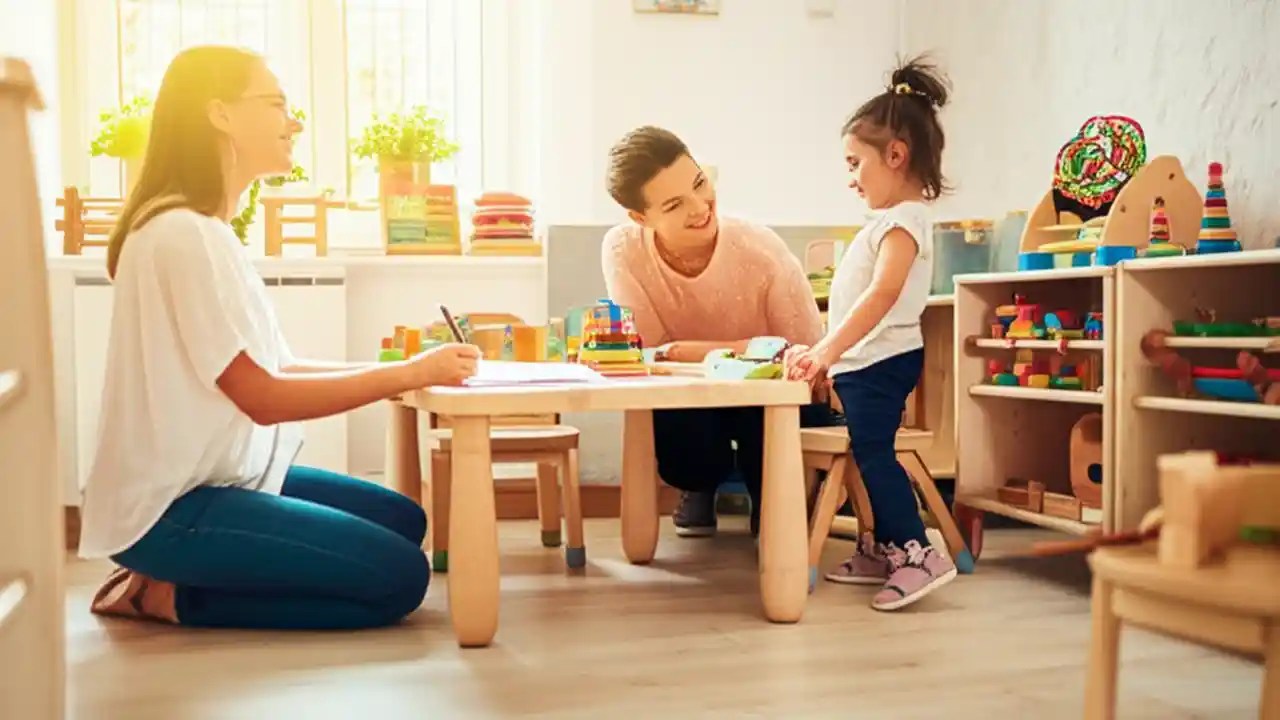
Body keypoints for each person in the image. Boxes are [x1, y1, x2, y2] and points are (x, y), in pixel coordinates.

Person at [80, 45, 481, 630]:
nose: (294, 122)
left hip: (218, 480)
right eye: (276, 104)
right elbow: (263, 398)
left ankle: (192, 572)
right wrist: (408, 375)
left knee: (404, 522)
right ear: (219, 114)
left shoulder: (210, 232)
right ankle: (165, 594)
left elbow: (281, 368)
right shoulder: (181, 235)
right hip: (170, 510)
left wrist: (407, 368)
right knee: (400, 579)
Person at [601, 125, 834, 538]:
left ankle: (770, 494)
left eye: (699, 184)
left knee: (778, 526)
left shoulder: (760, 248)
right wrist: (739, 349)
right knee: (687, 460)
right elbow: (650, 353)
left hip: (769, 393)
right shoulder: (623, 247)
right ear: (641, 218)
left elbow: (804, 355)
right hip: (691, 397)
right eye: (674, 205)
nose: (699, 208)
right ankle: (700, 485)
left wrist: (694, 349)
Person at [785, 55, 957, 611]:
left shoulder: (904, 223)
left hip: (881, 363)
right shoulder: (888, 222)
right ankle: (885, 546)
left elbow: (882, 295)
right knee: (865, 452)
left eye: (855, 161)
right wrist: (835, 356)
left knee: (875, 453)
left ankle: (918, 552)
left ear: (895, 156)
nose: (850, 175)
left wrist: (827, 349)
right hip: (865, 364)